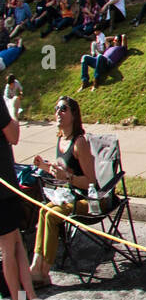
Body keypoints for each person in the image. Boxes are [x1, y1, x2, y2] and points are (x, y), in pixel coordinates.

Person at [29, 96, 96, 287]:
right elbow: (60, 170)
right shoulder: (61, 139)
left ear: (74, 115)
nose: (58, 112)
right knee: (43, 210)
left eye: (64, 109)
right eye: (56, 108)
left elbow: (91, 182)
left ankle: (43, 271)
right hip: (68, 196)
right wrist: (44, 166)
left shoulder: (79, 143)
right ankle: (36, 265)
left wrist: (68, 178)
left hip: (85, 200)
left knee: (50, 215)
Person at [0, 94, 39, 300]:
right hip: (3, 185)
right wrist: (13, 109)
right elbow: (13, 135)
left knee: (16, 243)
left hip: (6, 184)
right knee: (9, 247)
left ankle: (31, 299)